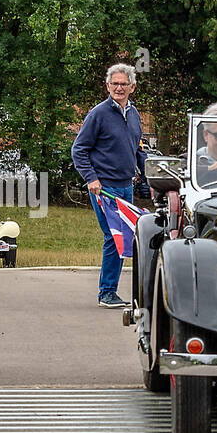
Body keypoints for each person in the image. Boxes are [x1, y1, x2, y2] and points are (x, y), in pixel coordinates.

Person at [71, 62, 148, 309]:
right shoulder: (98, 114)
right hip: (105, 188)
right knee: (114, 237)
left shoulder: (134, 115)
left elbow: (137, 149)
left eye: (123, 84)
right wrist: (91, 179)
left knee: (127, 238)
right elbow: (79, 149)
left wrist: (148, 179)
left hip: (127, 186)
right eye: (114, 83)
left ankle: (115, 291)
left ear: (132, 87)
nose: (119, 88)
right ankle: (107, 293)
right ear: (107, 85)